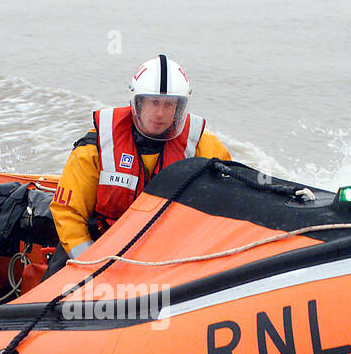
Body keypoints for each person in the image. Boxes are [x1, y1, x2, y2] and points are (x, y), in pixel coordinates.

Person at [49, 55, 232, 258]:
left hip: (172, 256)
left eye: (169, 104)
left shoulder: (203, 146)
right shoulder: (98, 145)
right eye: (154, 103)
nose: (160, 114)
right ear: (139, 103)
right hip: (102, 251)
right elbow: (68, 212)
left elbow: (229, 205)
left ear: (179, 107)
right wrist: (90, 262)